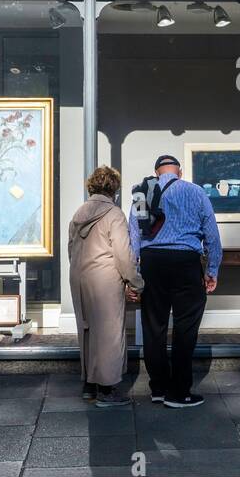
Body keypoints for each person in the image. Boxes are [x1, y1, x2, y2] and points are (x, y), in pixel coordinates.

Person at [130, 154, 221, 408]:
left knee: (153, 326)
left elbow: (134, 236)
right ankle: (180, 392)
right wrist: (212, 270)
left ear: (156, 172)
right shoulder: (196, 192)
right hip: (185, 262)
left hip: (152, 263)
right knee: (185, 327)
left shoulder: (141, 194)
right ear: (179, 172)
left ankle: (158, 388)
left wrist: (134, 276)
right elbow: (211, 235)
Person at [67, 166, 143, 408]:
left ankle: (89, 385)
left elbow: (71, 248)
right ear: (114, 189)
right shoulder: (114, 214)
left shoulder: (79, 213)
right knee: (109, 334)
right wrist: (136, 281)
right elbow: (123, 254)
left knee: (87, 330)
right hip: (105, 279)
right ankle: (107, 390)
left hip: (79, 276)